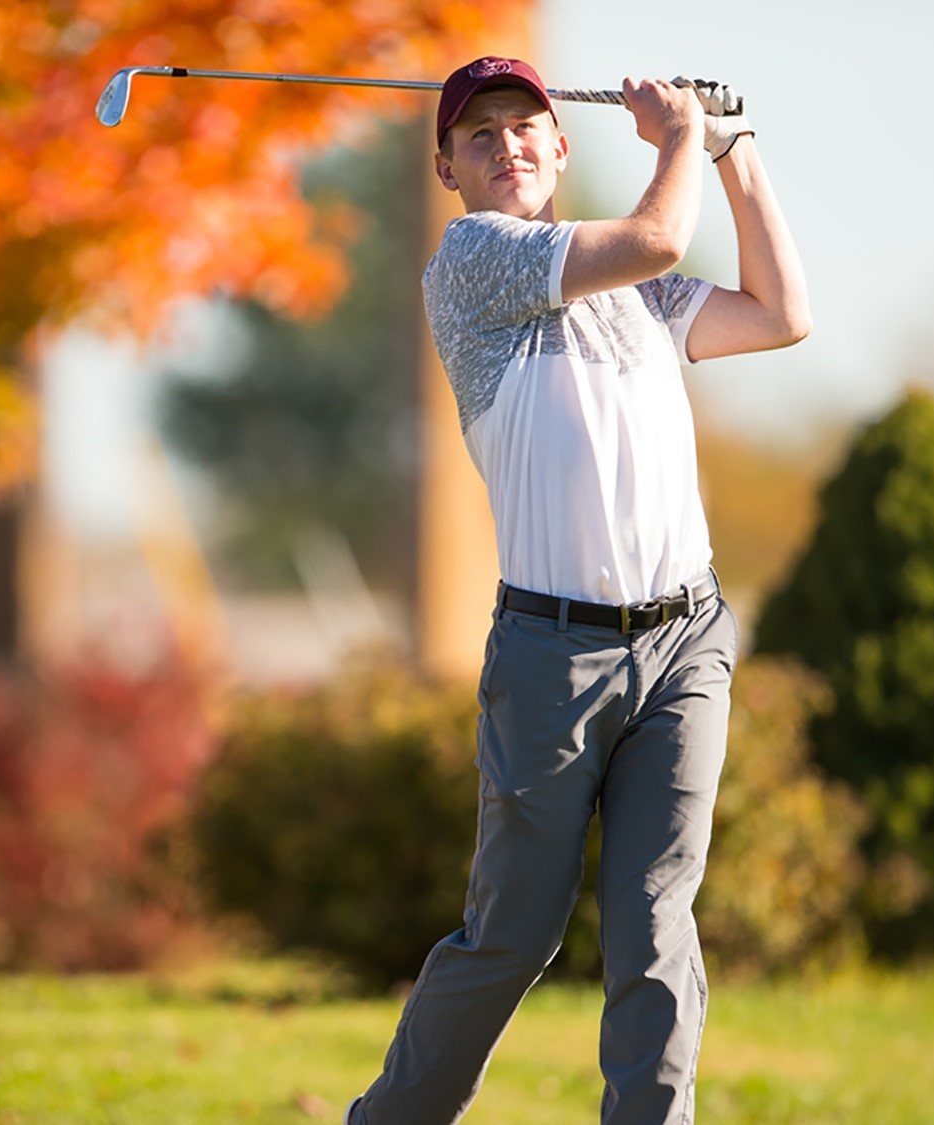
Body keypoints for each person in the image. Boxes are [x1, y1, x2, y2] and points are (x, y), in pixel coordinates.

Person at [347, 56, 810, 1125]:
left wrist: (736, 154)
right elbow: (653, 231)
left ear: (559, 149)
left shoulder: (642, 298)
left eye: (524, 127)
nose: (505, 143)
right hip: (551, 658)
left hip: (682, 640)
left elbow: (780, 313)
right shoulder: (473, 264)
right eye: (478, 134)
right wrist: (682, 136)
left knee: (655, 929)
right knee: (511, 934)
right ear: (447, 172)